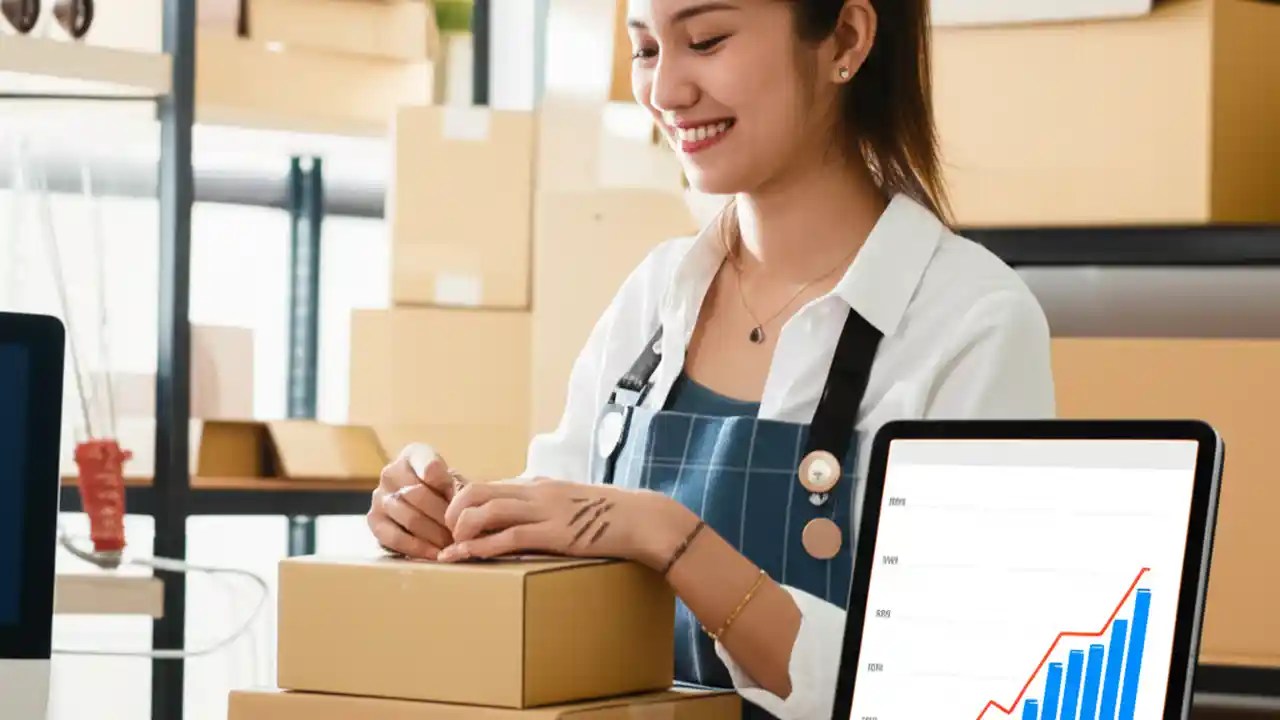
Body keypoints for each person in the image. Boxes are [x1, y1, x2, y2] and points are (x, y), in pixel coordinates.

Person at [366, 1, 1056, 718]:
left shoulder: (972, 323)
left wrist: (670, 536)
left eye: (705, 41)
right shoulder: (656, 292)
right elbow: (563, 533)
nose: (665, 92)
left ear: (845, 38)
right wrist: (458, 519)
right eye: (645, 51)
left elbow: (946, 689)